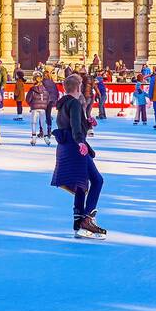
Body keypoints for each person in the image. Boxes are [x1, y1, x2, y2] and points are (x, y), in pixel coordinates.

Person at [50, 73, 107, 239]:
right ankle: (88, 218)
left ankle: (78, 222)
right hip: (76, 147)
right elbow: (75, 127)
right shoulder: (74, 103)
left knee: (80, 184)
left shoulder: (63, 104)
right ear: (79, 87)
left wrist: (88, 123)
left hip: (66, 147)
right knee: (97, 180)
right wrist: (81, 142)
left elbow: (67, 124)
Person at [26, 79, 51, 144]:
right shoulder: (45, 90)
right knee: (43, 123)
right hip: (43, 108)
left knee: (34, 122)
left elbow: (28, 99)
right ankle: (46, 137)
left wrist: (31, 105)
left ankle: (34, 137)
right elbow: (48, 99)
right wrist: (44, 105)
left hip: (34, 107)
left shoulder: (32, 90)